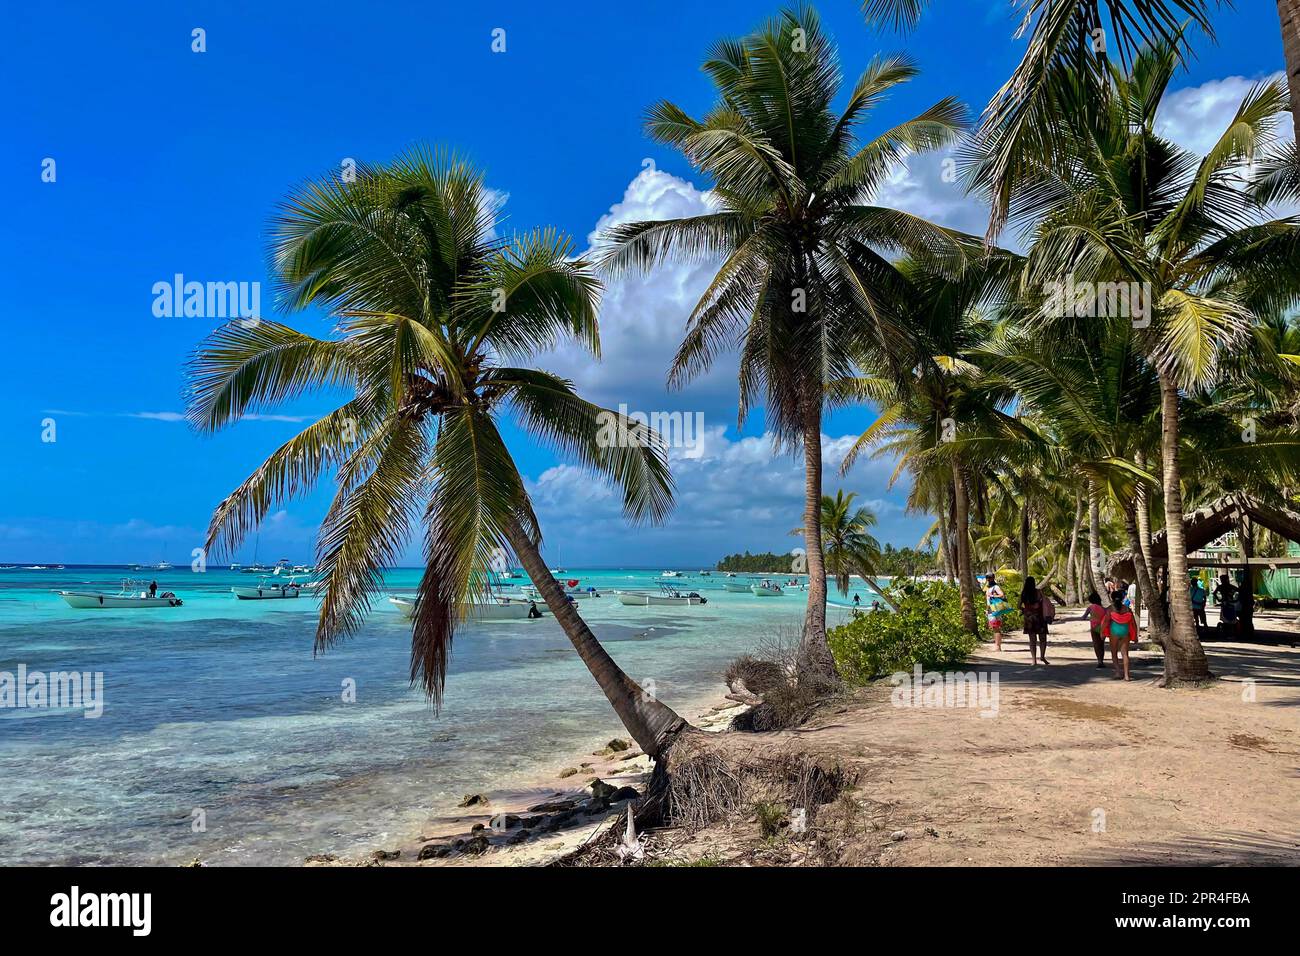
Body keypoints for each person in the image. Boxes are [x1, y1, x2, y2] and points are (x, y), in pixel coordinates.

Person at [1102, 588, 1135, 681]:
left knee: (1114, 653)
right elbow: (1133, 623)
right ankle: (1126, 676)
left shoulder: (1110, 609)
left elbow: (1105, 622)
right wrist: (1135, 635)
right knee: (1125, 654)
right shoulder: (1127, 609)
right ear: (1122, 598)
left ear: (1112, 598)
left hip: (1114, 632)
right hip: (1125, 632)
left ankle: (1117, 672)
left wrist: (1102, 632)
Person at [1020, 576, 1049, 666]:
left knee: (1032, 640)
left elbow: (1018, 605)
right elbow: (1044, 603)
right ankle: (1042, 656)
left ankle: (1034, 660)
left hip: (1029, 618)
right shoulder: (1038, 592)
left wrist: (1025, 610)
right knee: (1042, 638)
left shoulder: (1024, 593)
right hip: (1039, 617)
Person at [1081, 590, 1107, 667]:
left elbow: (1083, 617)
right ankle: (1102, 660)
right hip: (1102, 628)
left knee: (1096, 644)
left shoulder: (1091, 607)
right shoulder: (1103, 609)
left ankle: (1099, 661)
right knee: (1101, 644)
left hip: (1094, 627)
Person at [984, 574, 1010, 652]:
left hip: (995, 610)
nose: (988, 579)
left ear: (993, 578)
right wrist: (986, 610)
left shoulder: (996, 587)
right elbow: (988, 601)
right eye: (987, 578)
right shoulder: (988, 588)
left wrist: (993, 595)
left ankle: (998, 646)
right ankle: (997, 645)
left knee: (996, 628)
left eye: (990, 578)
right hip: (990, 610)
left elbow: (1002, 595)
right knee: (994, 628)